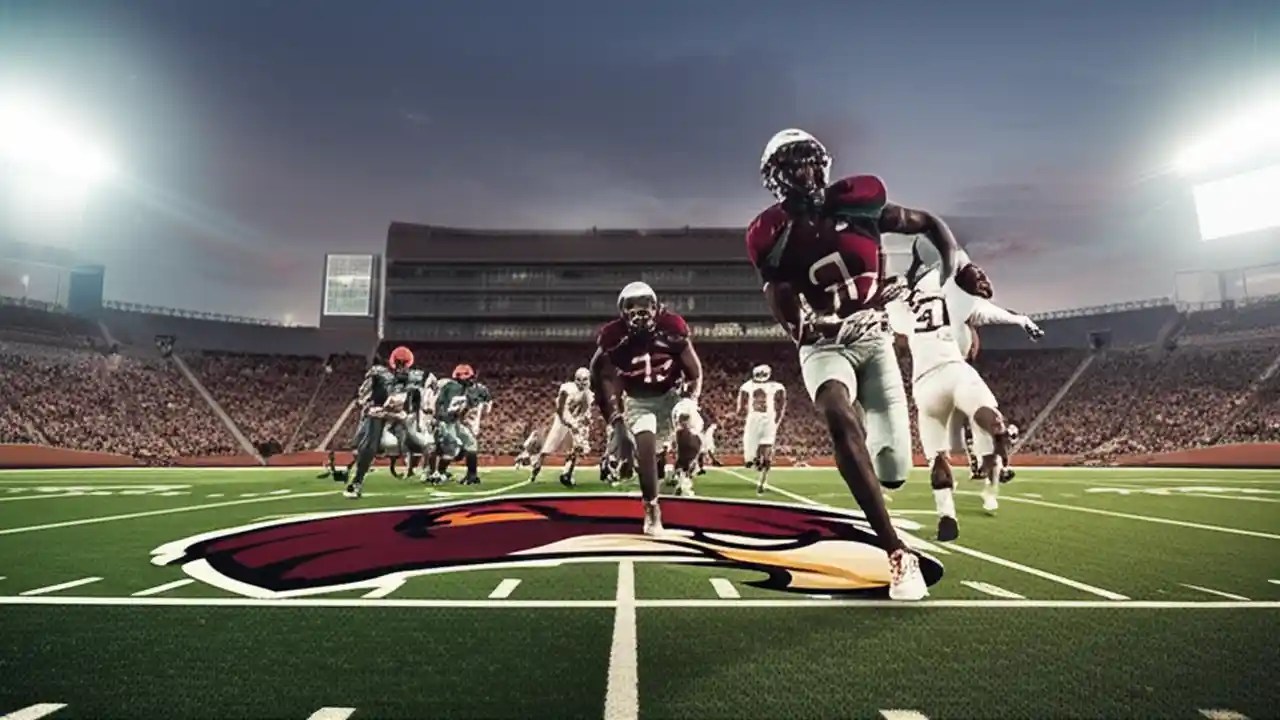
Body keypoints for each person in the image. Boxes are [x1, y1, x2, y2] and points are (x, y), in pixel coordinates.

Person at [745, 128, 991, 600]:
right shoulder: (770, 234)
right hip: (825, 343)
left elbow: (927, 221)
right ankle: (897, 554)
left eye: (812, 162)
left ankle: (870, 464)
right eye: (794, 165)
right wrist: (801, 329)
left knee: (894, 469)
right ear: (776, 178)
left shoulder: (860, 204)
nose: (807, 173)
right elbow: (776, 290)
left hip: (875, 340)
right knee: (838, 415)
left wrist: (957, 266)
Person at [887, 239, 1043, 537]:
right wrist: (1020, 319)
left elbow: (893, 314)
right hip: (954, 369)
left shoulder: (902, 305)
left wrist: (891, 291)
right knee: (989, 416)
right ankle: (999, 450)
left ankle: (947, 516)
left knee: (937, 457)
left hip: (924, 385)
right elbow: (978, 298)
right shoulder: (949, 285)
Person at [589, 281, 704, 534]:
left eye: (645, 306)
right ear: (622, 312)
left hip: (671, 394)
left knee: (687, 423)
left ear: (656, 307)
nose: (639, 313)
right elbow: (599, 377)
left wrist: (690, 399)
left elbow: (694, 372)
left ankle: (685, 468)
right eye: (631, 307)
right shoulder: (613, 337)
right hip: (637, 399)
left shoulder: (672, 327)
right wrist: (615, 421)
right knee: (645, 444)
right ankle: (652, 508)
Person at [738, 364, 786, 493]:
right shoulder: (773, 386)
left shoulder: (751, 386)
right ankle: (757, 465)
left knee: (763, 454)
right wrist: (778, 417)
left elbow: (740, 406)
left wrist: (739, 412)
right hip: (762, 420)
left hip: (761, 420)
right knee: (757, 454)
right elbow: (782, 402)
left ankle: (762, 480)